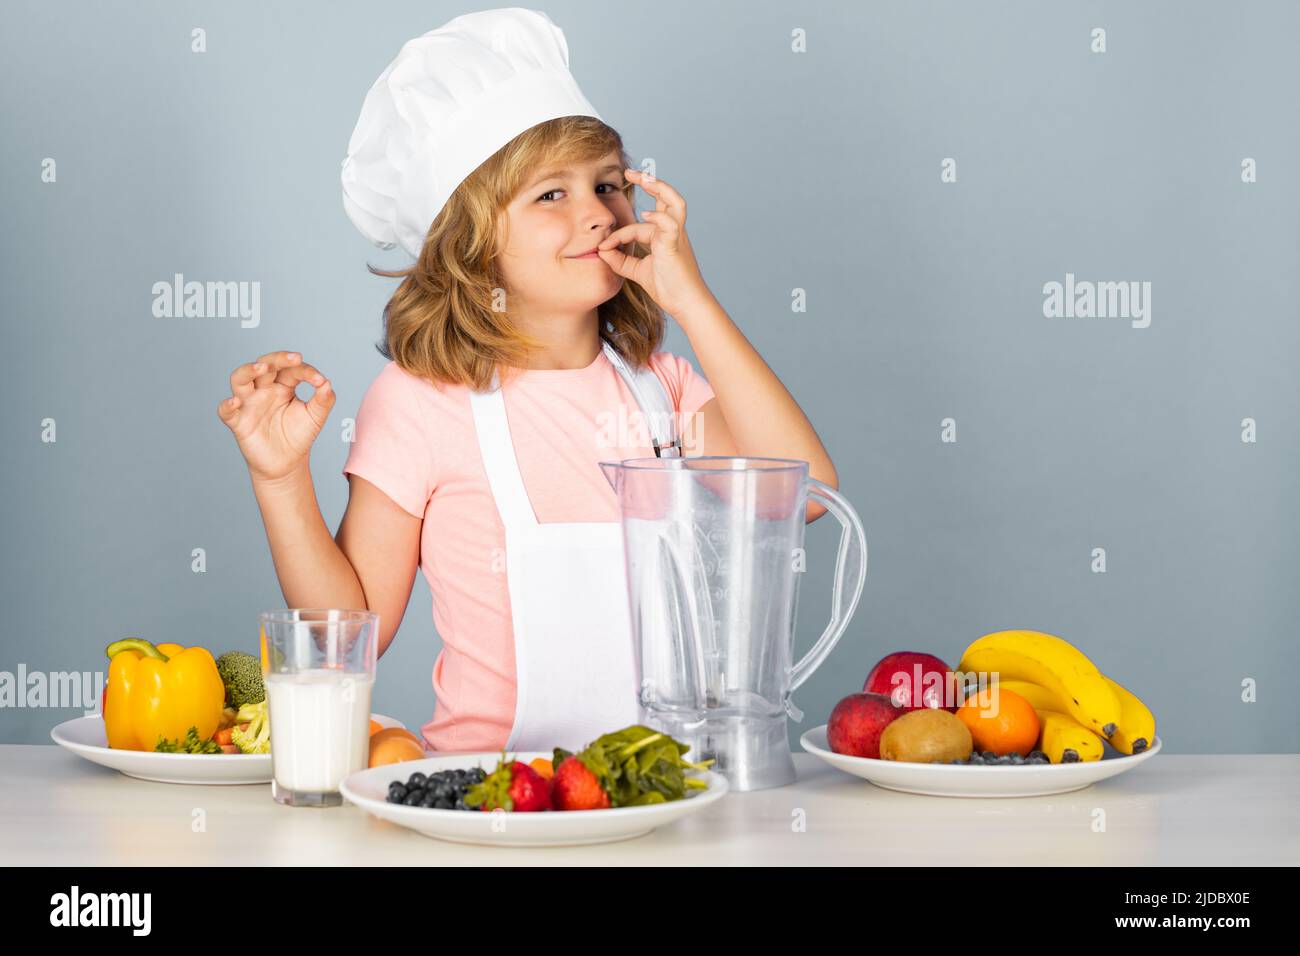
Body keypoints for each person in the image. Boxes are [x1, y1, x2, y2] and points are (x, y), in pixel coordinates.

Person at [217, 8, 837, 753]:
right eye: (552, 195)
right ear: (471, 244)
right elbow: (355, 631)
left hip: (663, 794)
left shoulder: (663, 391)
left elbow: (804, 498)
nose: (598, 214)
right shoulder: (421, 404)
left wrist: (693, 302)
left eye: (609, 184)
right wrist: (281, 480)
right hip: (489, 798)